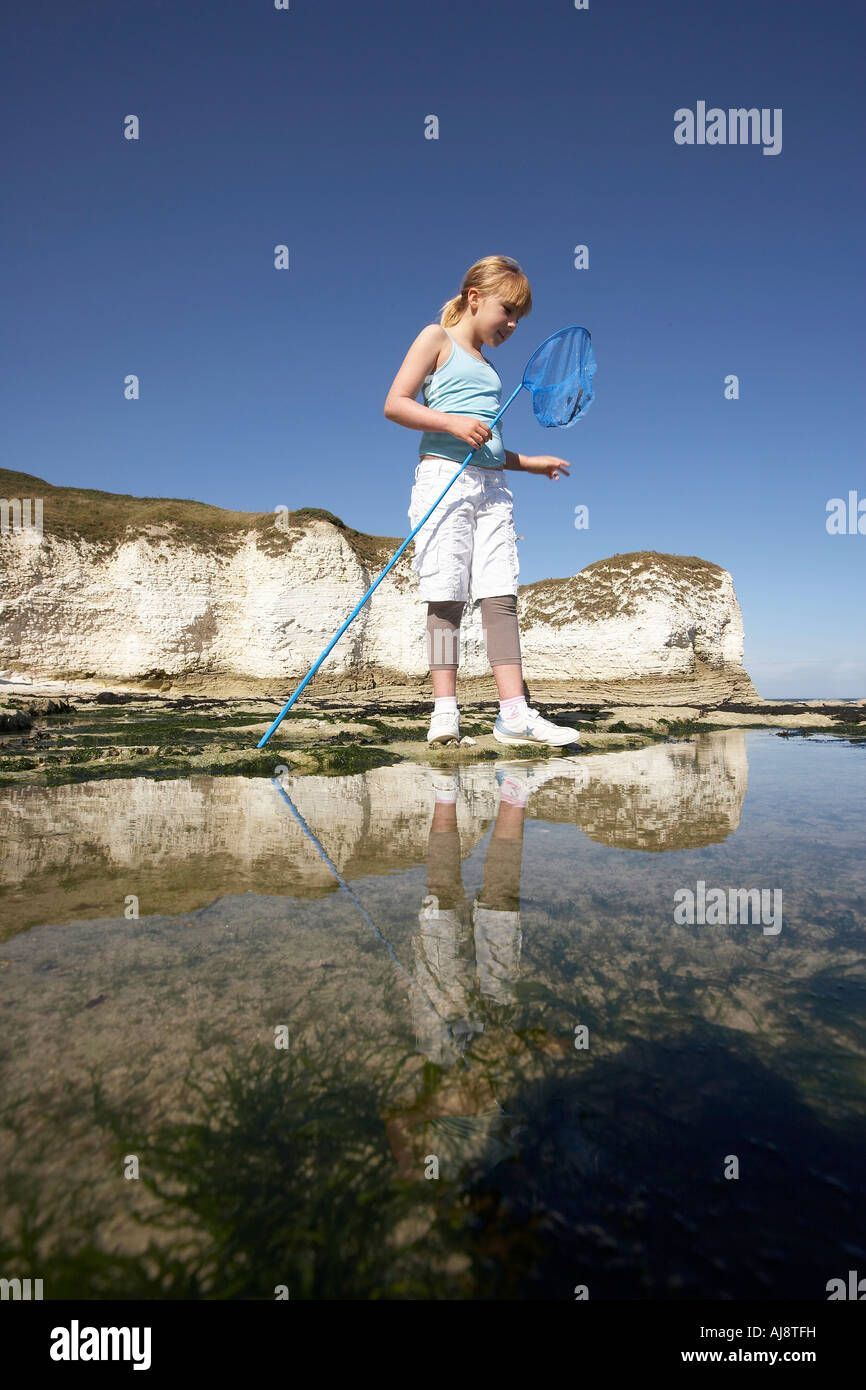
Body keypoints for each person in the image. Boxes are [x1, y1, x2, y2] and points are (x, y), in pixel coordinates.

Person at [384, 254, 580, 747]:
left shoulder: (490, 370)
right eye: (507, 311)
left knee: (499, 594)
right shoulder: (436, 339)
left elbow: (487, 442)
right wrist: (450, 422)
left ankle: (513, 714)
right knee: (446, 595)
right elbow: (396, 404)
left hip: (492, 487)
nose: (512, 324)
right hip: (443, 478)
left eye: (519, 316)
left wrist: (530, 461)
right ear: (475, 298)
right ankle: (445, 713)